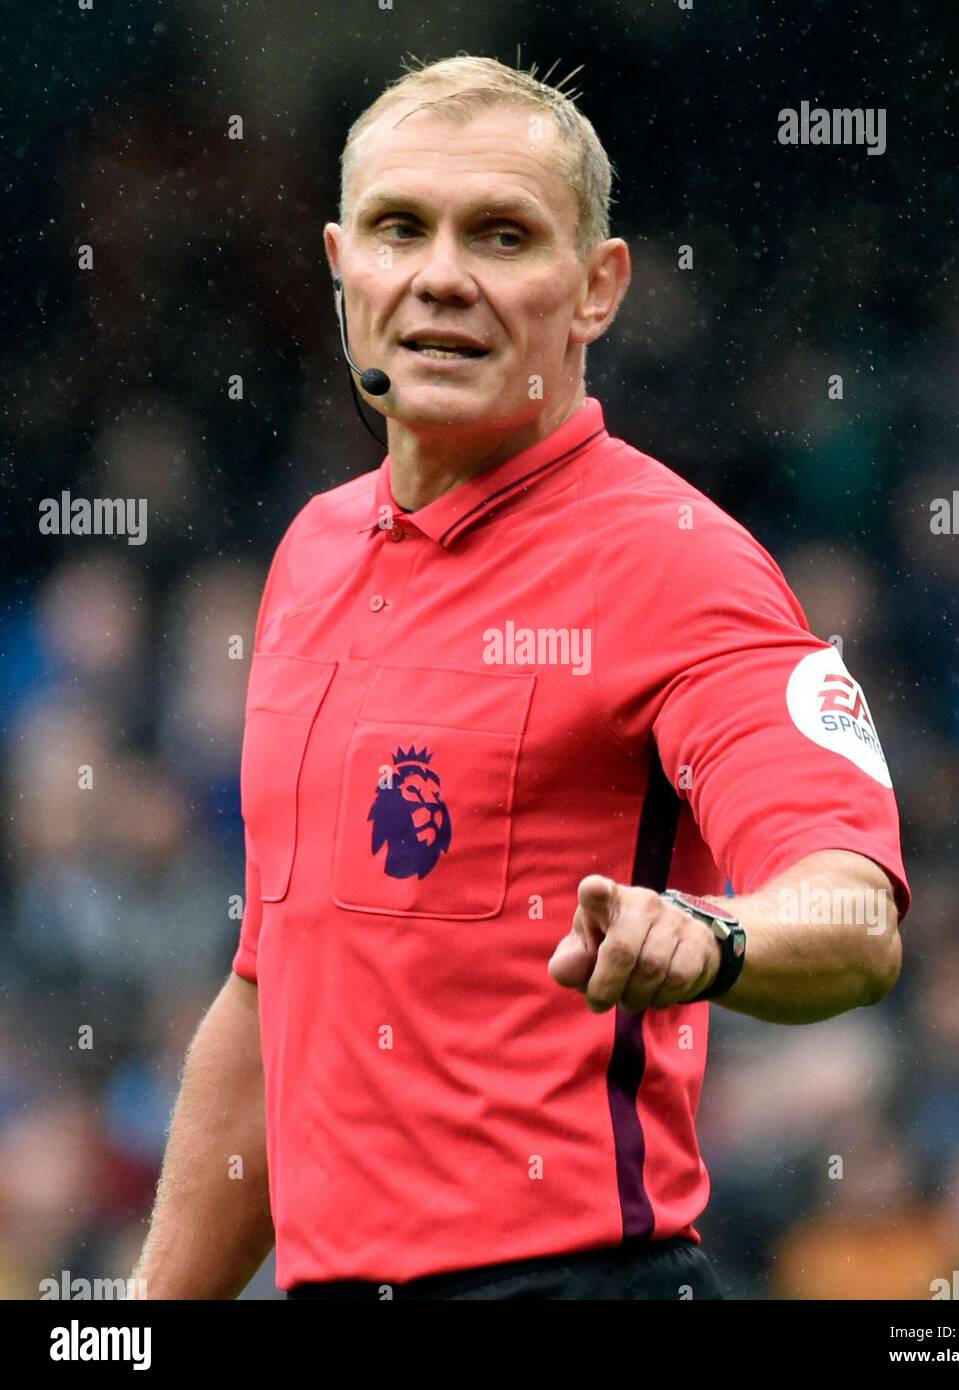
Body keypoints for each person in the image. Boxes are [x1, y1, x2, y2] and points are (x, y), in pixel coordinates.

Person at [133, 53, 910, 1302]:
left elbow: (855, 915)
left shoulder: (684, 567)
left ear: (598, 288)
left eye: (501, 234)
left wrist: (708, 934)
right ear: (341, 268)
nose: (442, 274)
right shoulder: (311, 554)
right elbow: (272, 996)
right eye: (400, 228)